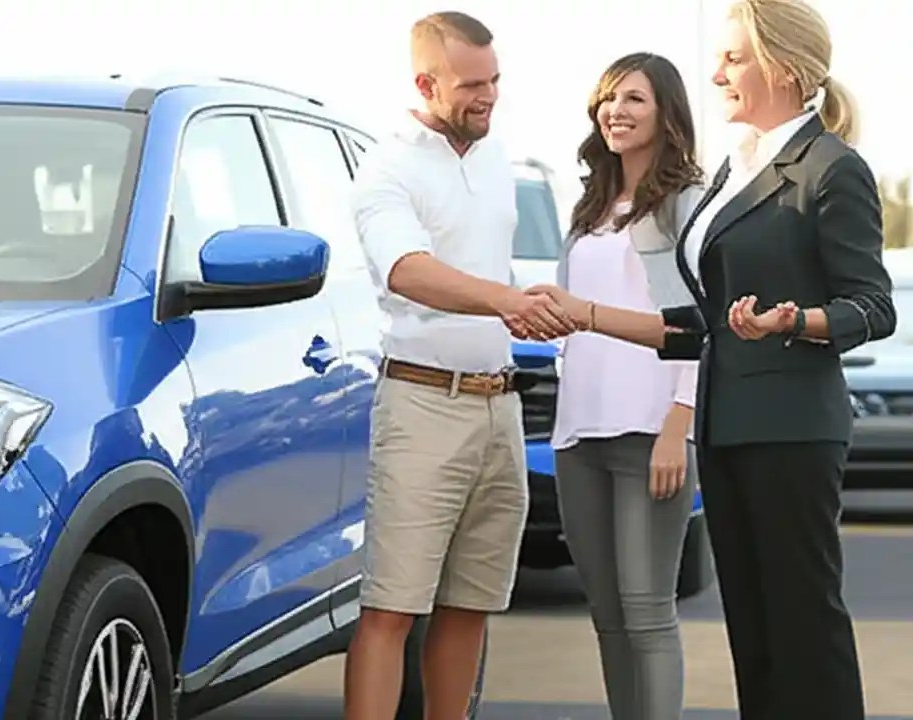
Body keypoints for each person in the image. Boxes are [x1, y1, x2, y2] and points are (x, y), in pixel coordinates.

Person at [519, 1, 896, 718]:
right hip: (726, 430)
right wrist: (587, 316)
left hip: (790, 429)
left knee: (803, 627)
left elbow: (874, 306)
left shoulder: (829, 168)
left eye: (733, 58)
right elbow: (700, 326)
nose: (716, 71)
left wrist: (800, 320)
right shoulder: (733, 171)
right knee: (753, 632)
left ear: (782, 67)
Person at [342, 10, 578, 720]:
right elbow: (409, 271)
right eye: (472, 84)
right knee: (392, 607)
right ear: (425, 82)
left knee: (472, 604)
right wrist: (506, 302)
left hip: (498, 407)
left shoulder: (497, 156)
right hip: (422, 407)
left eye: (496, 80)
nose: (489, 95)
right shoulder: (387, 167)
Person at [549, 52, 705, 720]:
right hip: (579, 433)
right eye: (610, 98)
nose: (617, 110)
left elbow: (696, 325)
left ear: (667, 113)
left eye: (635, 99)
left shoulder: (684, 205)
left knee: (648, 615)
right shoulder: (590, 207)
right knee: (609, 618)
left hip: (651, 432)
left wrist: (679, 423)